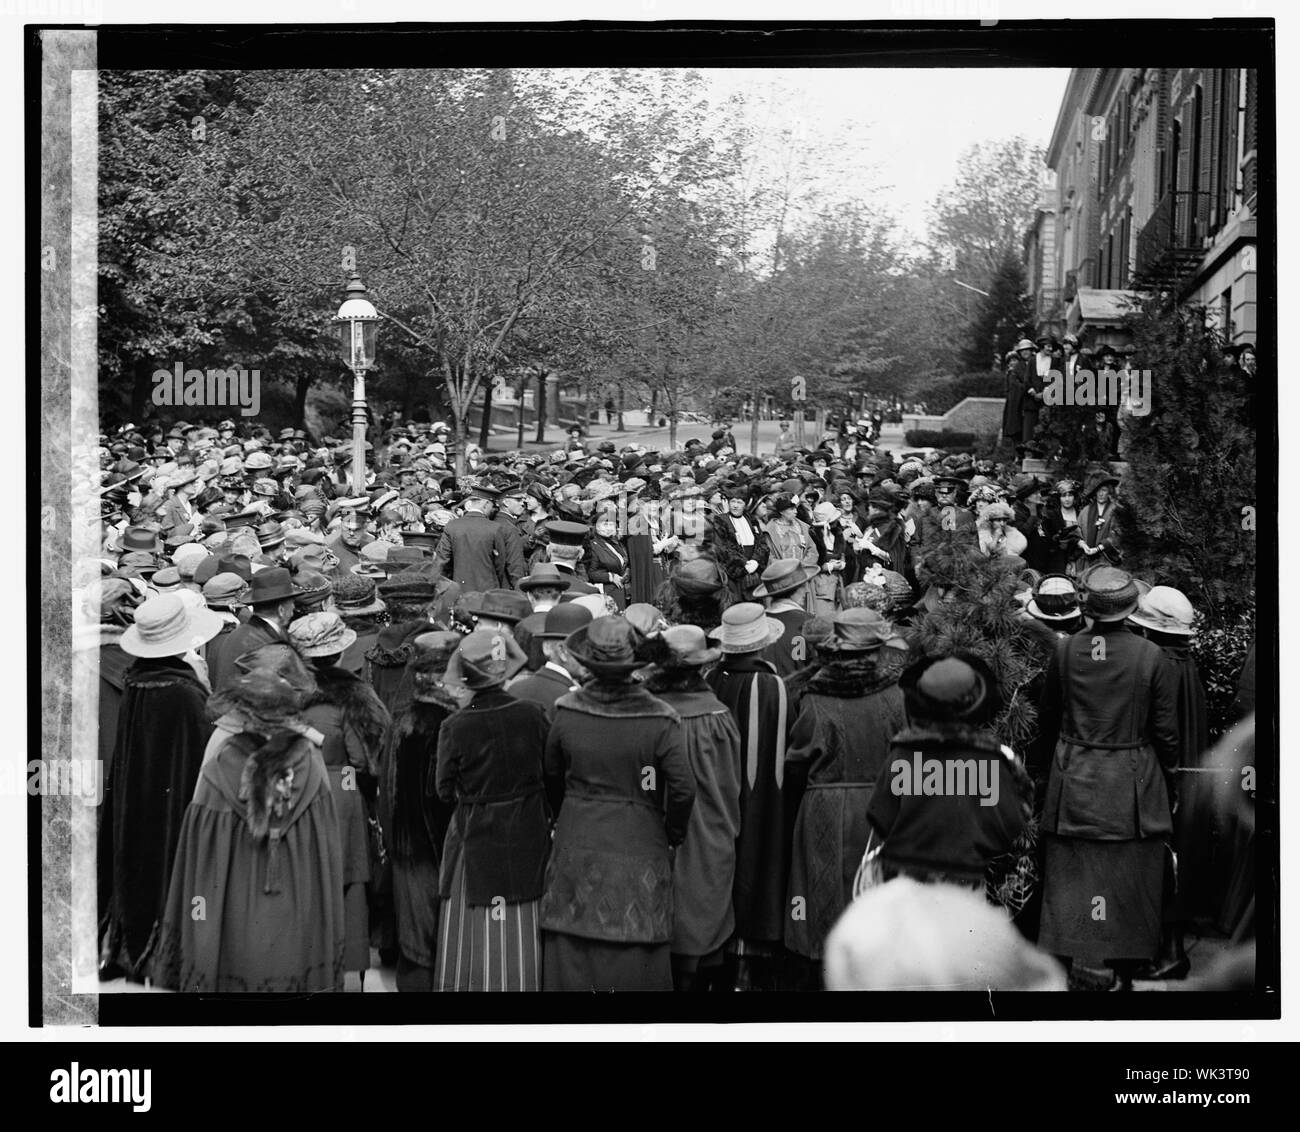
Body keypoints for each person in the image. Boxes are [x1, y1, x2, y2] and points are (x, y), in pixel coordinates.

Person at [152, 668, 346, 992]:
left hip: (234, 921)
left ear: (244, 714)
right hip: (298, 918)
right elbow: (325, 856)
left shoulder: (218, 766)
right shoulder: (312, 765)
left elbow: (200, 863)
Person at [1032, 567, 1180, 990]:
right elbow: (1166, 733)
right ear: (1132, 609)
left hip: (1073, 776)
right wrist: (1170, 783)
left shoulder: (1065, 652)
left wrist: (1046, 774)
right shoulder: (1151, 656)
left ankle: (1081, 961)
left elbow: (1047, 718)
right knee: (1127, 874)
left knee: (1075, 872)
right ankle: (1118, 967)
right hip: (1130, 784)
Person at [541, 616, 695, 991]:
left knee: (572, 950)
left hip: (577, 838)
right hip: (640, 841)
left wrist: (567, 813)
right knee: (637, 949)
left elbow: (551, 775)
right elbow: (683, 788)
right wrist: (672, 832)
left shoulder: (566, 711)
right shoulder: (661, 719)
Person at [98, 593, 223, 982]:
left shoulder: (136, 679)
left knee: (135, 858)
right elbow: (201, 755)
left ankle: (124, 946)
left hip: (136, 793)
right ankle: (162, 955)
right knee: (168, 864)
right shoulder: (185, 693)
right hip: (176, 798)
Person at [783, 608, 908, 970]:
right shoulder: (896, 696)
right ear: (877, 651)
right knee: (874, 891)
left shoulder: (813, 697)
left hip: (823, 804)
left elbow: (796, 762)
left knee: (824, 894)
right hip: (881, 808)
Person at [435, 630, 551, 991]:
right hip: (527, 832)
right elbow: (552, 772)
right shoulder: (534, 715)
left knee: (472, 921)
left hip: (475, 835)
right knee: (522, 918)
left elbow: (441, 790)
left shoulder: (455, 726)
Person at [862, 654, 1030, 893]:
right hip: (965, 882)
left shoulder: (903, 753)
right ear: (975, 701)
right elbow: (1010, 823)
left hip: (906, 883)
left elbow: (880, 816)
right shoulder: (989, 759)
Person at [290, 612, 392, 988]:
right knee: (350, 882)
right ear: (338, 653)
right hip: (342, 795)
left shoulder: (286, 693)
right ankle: (350, 967)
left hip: (298, 792)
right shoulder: (355, 695)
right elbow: (366, 758)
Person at [643, 625, 742, 991]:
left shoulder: (649, 714)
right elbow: (729, 785)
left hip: (656, 829)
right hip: (708, 829)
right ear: (701, 668)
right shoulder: (717, 716)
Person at [705, 602, 791, 990]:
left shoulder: (711, 679)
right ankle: (753, 951)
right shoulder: (770, 685)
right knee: (759, 857)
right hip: (760, 799)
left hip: (718, 796)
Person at [1127, 585, 1209, 980]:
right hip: (1183, 773)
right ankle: (1165, 950)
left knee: (1164, 860)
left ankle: (1171, 954)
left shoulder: (1161, 665)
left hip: (1166, 776)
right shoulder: (1184, 663)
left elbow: (1163, 733)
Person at [384, 631, 463, 991]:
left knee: (414, 945)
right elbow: (441, 796)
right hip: (433, 850)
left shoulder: (403, 717)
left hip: (405, 846)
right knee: (431, 946)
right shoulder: (445, 723)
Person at [208, 567, 301, 692]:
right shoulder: (264, 642)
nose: (294, 608)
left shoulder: (241, 633)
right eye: (292, 603)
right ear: (281, 610)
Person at [506, 603, 592, 722]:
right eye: (585, 648)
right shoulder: (573, 699)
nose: (590, 655)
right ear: (562, 651)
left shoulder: (515, 689)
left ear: (546, 648)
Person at [433, 480, 522, 592]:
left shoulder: (452, 526)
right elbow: (500, 563)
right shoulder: (494, 528)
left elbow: (441, 561)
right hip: (489, 589)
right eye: (492, 505)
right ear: (485, 505)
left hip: (459, 588)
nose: (493, 509)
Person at [752, 558, 818, 678]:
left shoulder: (754, 624)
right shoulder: (810, 623)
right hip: (797, 693)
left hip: (762, 693)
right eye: (804, 586)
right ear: (798, 589)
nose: (807, 590)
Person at [582, 500, 630, 612]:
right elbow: (591, 573)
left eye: (611, 524)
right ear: (596, 526)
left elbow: (624, 561)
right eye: (605, 524)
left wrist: (627, 571)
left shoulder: (617, 543)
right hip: (607, 591)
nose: (608, 528)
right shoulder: (593, 545)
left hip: (621, 590)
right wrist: (611, 577)